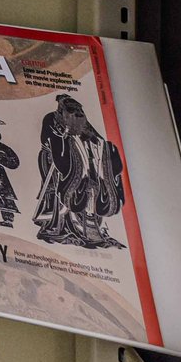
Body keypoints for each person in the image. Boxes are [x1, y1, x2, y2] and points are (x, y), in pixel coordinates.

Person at [34, 93, 127, 249]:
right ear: (62, 108)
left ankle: (86, 228)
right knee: (57, 190)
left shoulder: (81, 121)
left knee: (88, 188)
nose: (76, 113)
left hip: (78, 160)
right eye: (71, 110)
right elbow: (47, 139)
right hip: (53, 159)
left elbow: (96, 138)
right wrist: (65, 136)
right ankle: (58, 226)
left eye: (78, 110)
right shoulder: (51, 118)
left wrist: (94, 145)